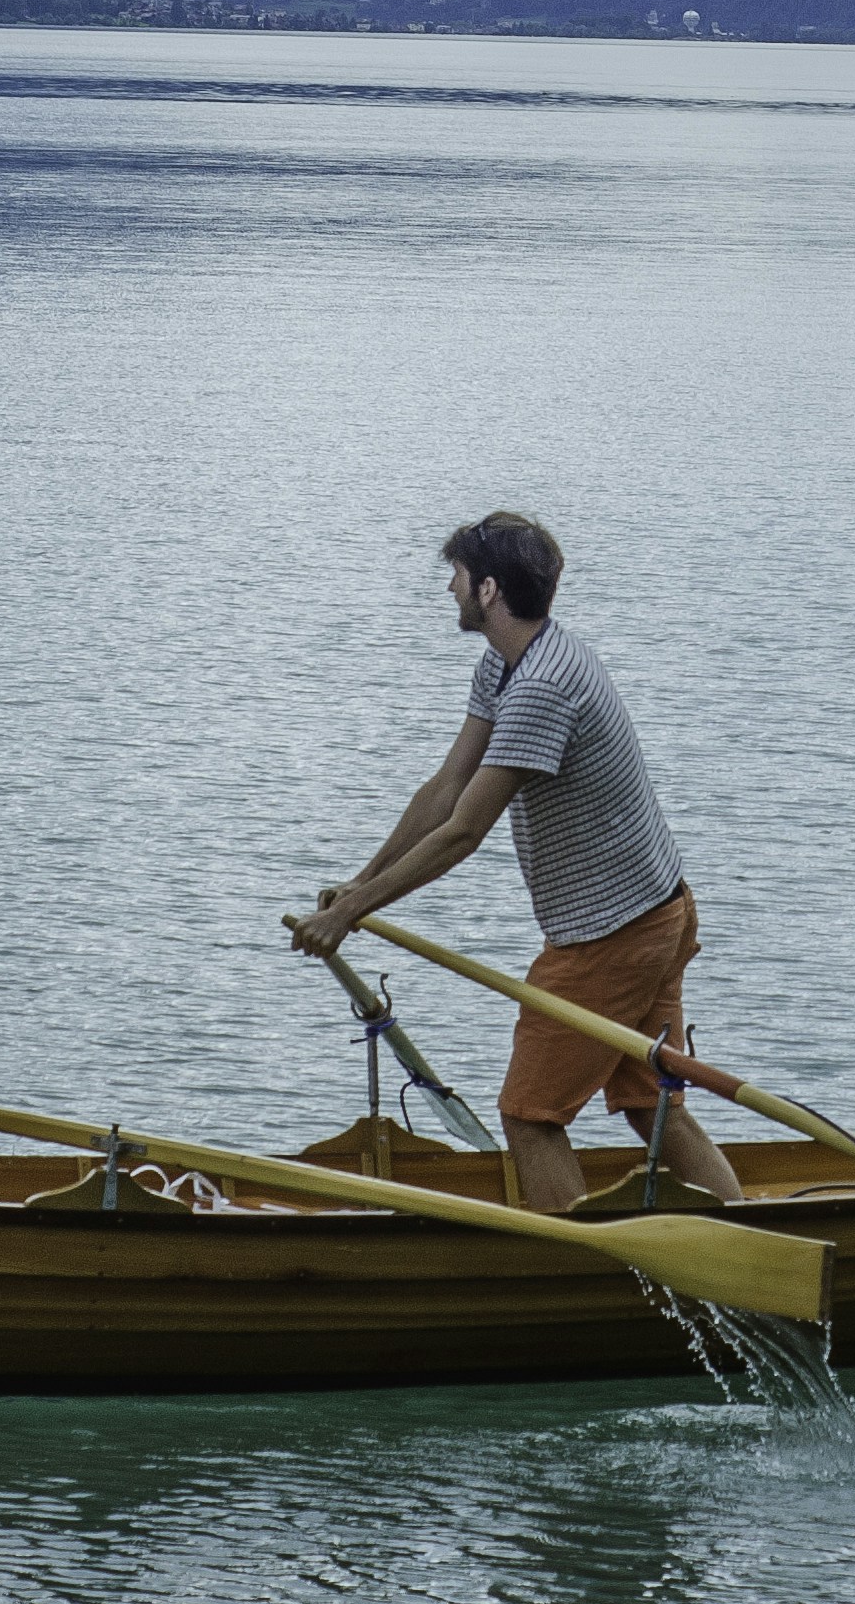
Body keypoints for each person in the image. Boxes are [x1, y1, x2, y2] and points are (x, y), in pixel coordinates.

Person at [291, 511, 744, 1216]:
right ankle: (754, 1239)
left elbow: (464, 831)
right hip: (656, 910)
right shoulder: (508, 667)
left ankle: (573, 1281)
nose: (449, 588)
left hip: (612, 939)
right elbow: (445, 789)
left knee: (531, 1116)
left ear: (491, 590)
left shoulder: (541, 689)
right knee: (649, 1107)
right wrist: (359, 881)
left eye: (459, 576)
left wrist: (354, 912)